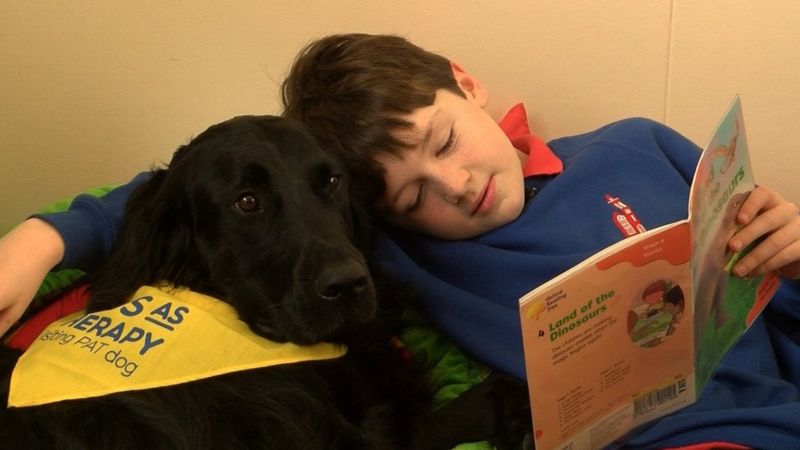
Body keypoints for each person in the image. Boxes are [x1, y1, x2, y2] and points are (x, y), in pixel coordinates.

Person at [2, 33, 800, 449]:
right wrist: (47, 236)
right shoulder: (387, 252)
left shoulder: (637, 145)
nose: (452, 185)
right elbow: (202, 185)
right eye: (412, 193)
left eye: (444, 140)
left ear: (466, 84)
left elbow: (770, 276)